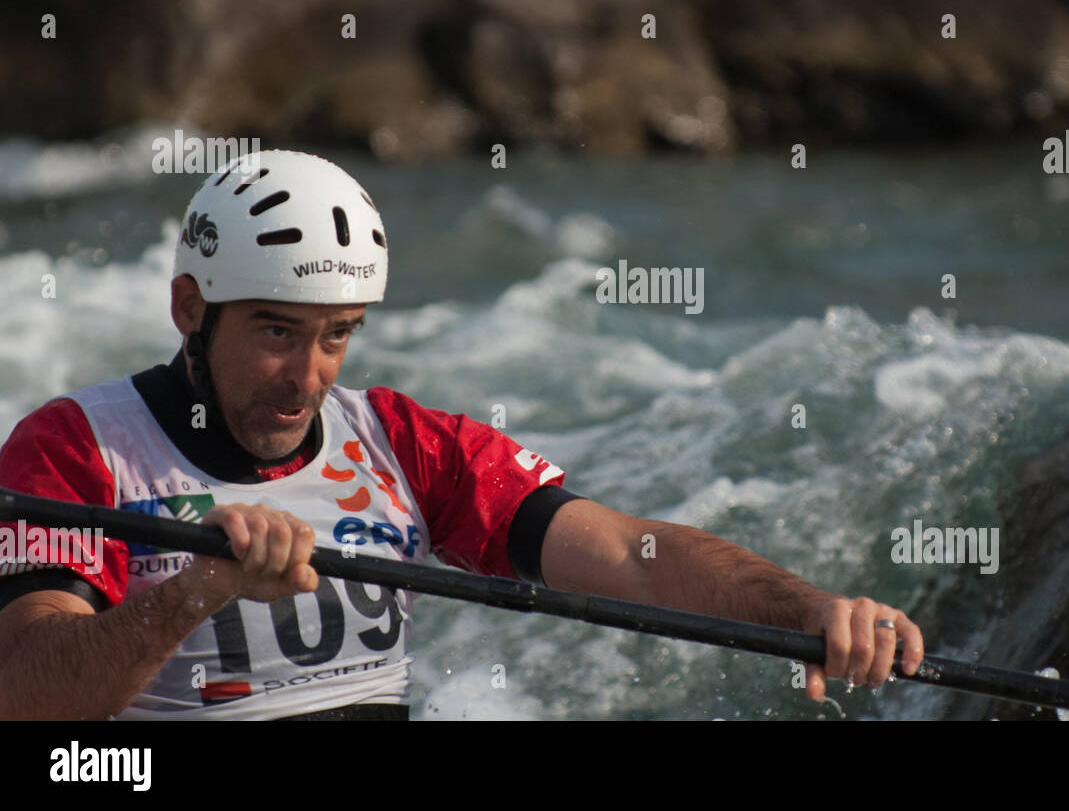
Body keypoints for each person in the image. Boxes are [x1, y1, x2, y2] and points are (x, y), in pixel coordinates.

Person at [0, 150, 923, 720]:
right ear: (189, 308)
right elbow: (29, 696)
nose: (308, 376)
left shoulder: (398, 440)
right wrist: (200, 587)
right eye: (277, 331)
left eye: (337, 335)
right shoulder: (75, 447)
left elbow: (632, 558)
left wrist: (808, 611)